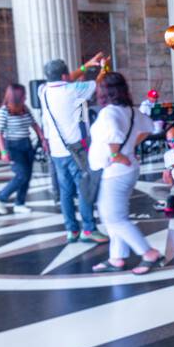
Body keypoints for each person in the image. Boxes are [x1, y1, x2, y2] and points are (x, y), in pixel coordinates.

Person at [88, 71, 164, 275]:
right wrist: (129, 149)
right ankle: (116, 257)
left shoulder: (109, 113)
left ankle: (148, 253)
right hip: (125, 170)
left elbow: (113, 134)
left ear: (106, 91)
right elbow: (149, 127)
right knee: (114, 215)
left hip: (116, 172)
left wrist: (117, 154)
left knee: (113, 217)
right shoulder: (130, 110)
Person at [39, 54, 109, 244]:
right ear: (64, 76)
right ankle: (89, 229)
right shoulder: (73, 90)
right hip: (75, 150)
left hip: (56, 151)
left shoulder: (43, 90)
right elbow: (97, 83)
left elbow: (66, 78)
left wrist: (86, 66)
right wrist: (102, 68)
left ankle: (72, 230)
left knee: (65, 192)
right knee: (84, 187)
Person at [0, 83, 43, 216]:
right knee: (22, 175)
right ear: (16, 96)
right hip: (13, 147)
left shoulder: (24, 109)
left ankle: (20, 203)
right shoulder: (2, 112)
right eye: (23, 95)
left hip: (27, 145)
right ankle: (0, 198)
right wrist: (3, 151)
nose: (26, 97)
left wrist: (42, 138)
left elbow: (34, 124)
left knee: (28, 176)